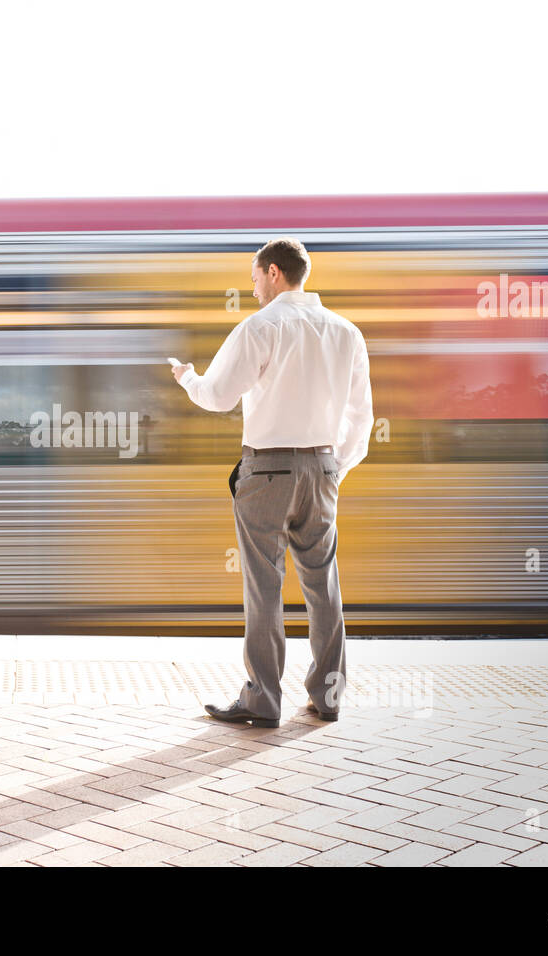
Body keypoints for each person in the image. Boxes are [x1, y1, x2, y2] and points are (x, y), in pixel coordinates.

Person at [172, 237, 373, 727]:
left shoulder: (261, 326)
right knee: (324, 584)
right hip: (323, 467)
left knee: (265, 586)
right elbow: (360, 417)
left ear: (274, 272)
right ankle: (328, 697)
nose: (253, 286)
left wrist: (187, 378)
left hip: (267, 471)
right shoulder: (347, 333)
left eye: (255, 276)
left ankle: (263, 700)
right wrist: (333, 469)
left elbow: (219, 395)